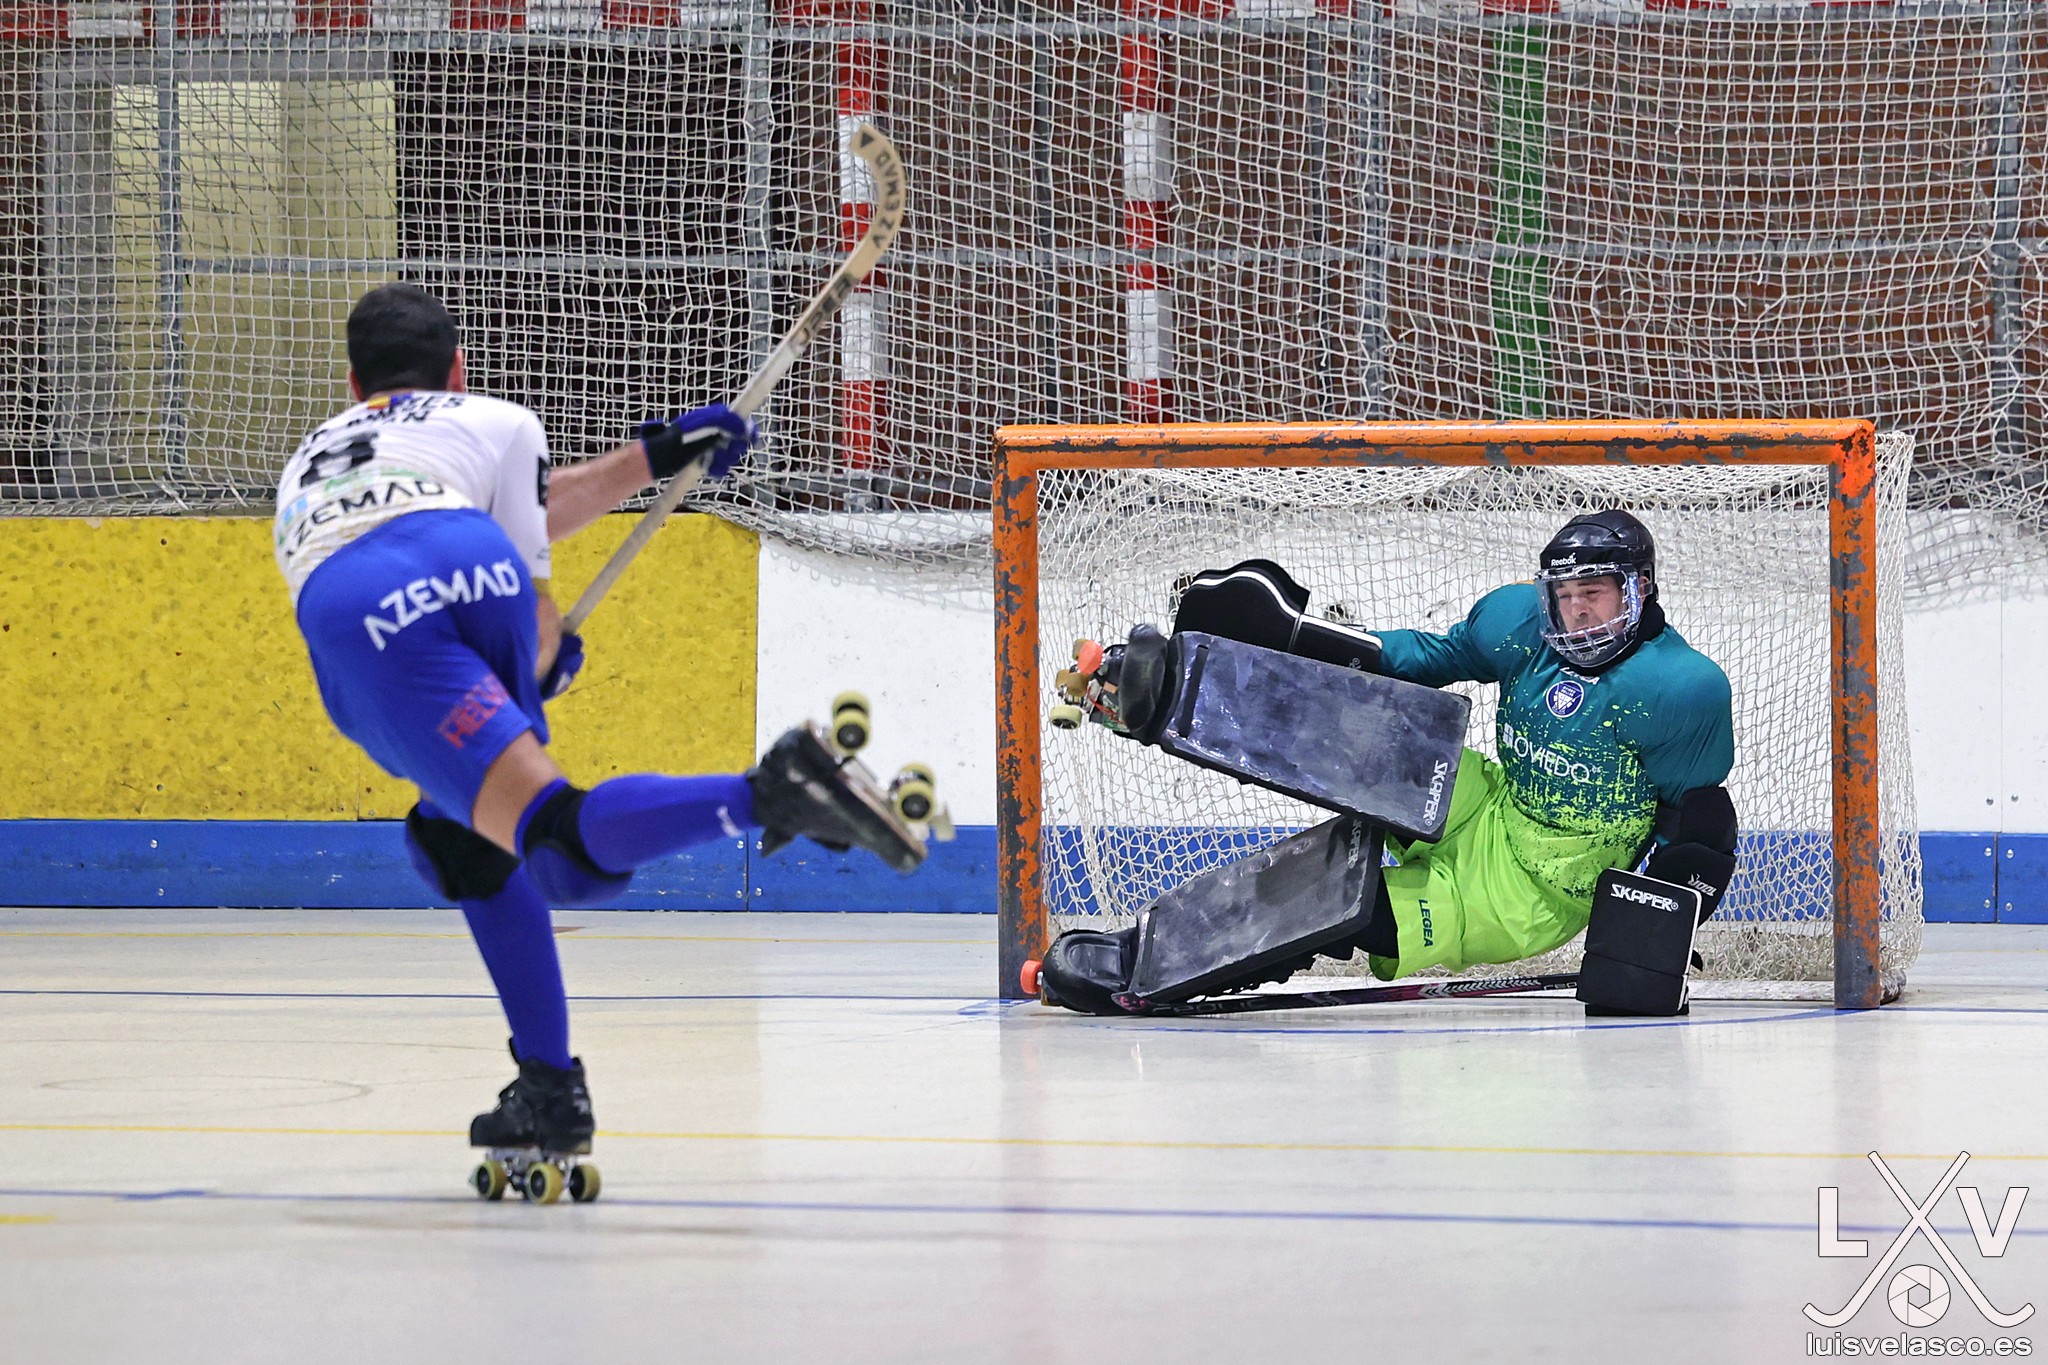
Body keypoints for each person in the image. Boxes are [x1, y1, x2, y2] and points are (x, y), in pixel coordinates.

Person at [275, 282, 920, 1167]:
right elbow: (524, 541)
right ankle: (547, 1083)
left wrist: (547, 647)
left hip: (362, 600)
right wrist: (657, 454)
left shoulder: (317, 451)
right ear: (456, 369)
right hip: (473, 560)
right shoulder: (495, 421)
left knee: (556, 848)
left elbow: (490, 594)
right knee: (466, 840)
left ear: (354, 385)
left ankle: (771, 792)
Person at [1343, 510, 1735, 978]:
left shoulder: (1676, 686)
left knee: (1347, 911)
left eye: (1592, 593)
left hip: (1533, 890)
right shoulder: (1522, 624)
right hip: (1488, 808)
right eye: (1564, 595)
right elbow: (1435, 658)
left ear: (1640, 588)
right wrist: (1314, 645)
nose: (1577, 610)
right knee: (1359, 726)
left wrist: (1652, 935)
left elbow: (1697, 822)